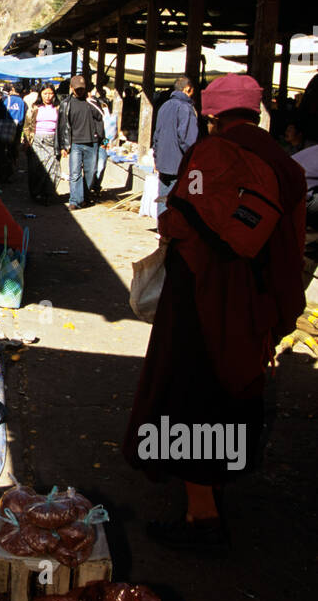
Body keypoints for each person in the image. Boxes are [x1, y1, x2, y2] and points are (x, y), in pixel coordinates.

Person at [123, 74, 307, 549]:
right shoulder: (285, 165)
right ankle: (217, 487)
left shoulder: (210, 152)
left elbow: (177, 219)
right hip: (257, 297)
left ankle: (201, 516)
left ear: (212, 112)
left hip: (202, 294)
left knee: (191, 388)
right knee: (235, 385)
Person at [152, 76, 198, 219]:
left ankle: (162, 230)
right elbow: (186, 138)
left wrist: (156, 157)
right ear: (187, 89)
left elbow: (156, 135)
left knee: (163, 197)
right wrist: (193, 159)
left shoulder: (164, 106)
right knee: (177, 200)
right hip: (178, 163)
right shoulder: (185, 108)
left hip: (163, 161)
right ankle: (171, 232)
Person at [56, 74, 104, 209]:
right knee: (75, 173)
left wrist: (101, 138)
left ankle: (84, 197)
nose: (80, 91)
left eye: (82, 89)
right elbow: (62, 126)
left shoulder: (91, 103)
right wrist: (63, 145)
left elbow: (101, 118)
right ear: (71, 88)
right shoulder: (66, 104)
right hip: (75, 143)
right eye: (77, 89)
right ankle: (74, 200)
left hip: (92, 142)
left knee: (91, 172)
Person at [23, 84, 61, 204]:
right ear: (41, 94)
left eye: (50, 93)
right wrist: (27, 141)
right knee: (36, 168)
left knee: (53, 168)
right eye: (45, 93)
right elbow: (27, 126)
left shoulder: (59, 108)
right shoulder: (35, 108)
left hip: (53, 141)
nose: (48, 96)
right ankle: (36, 193)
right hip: (37, 141)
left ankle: (48, 193)